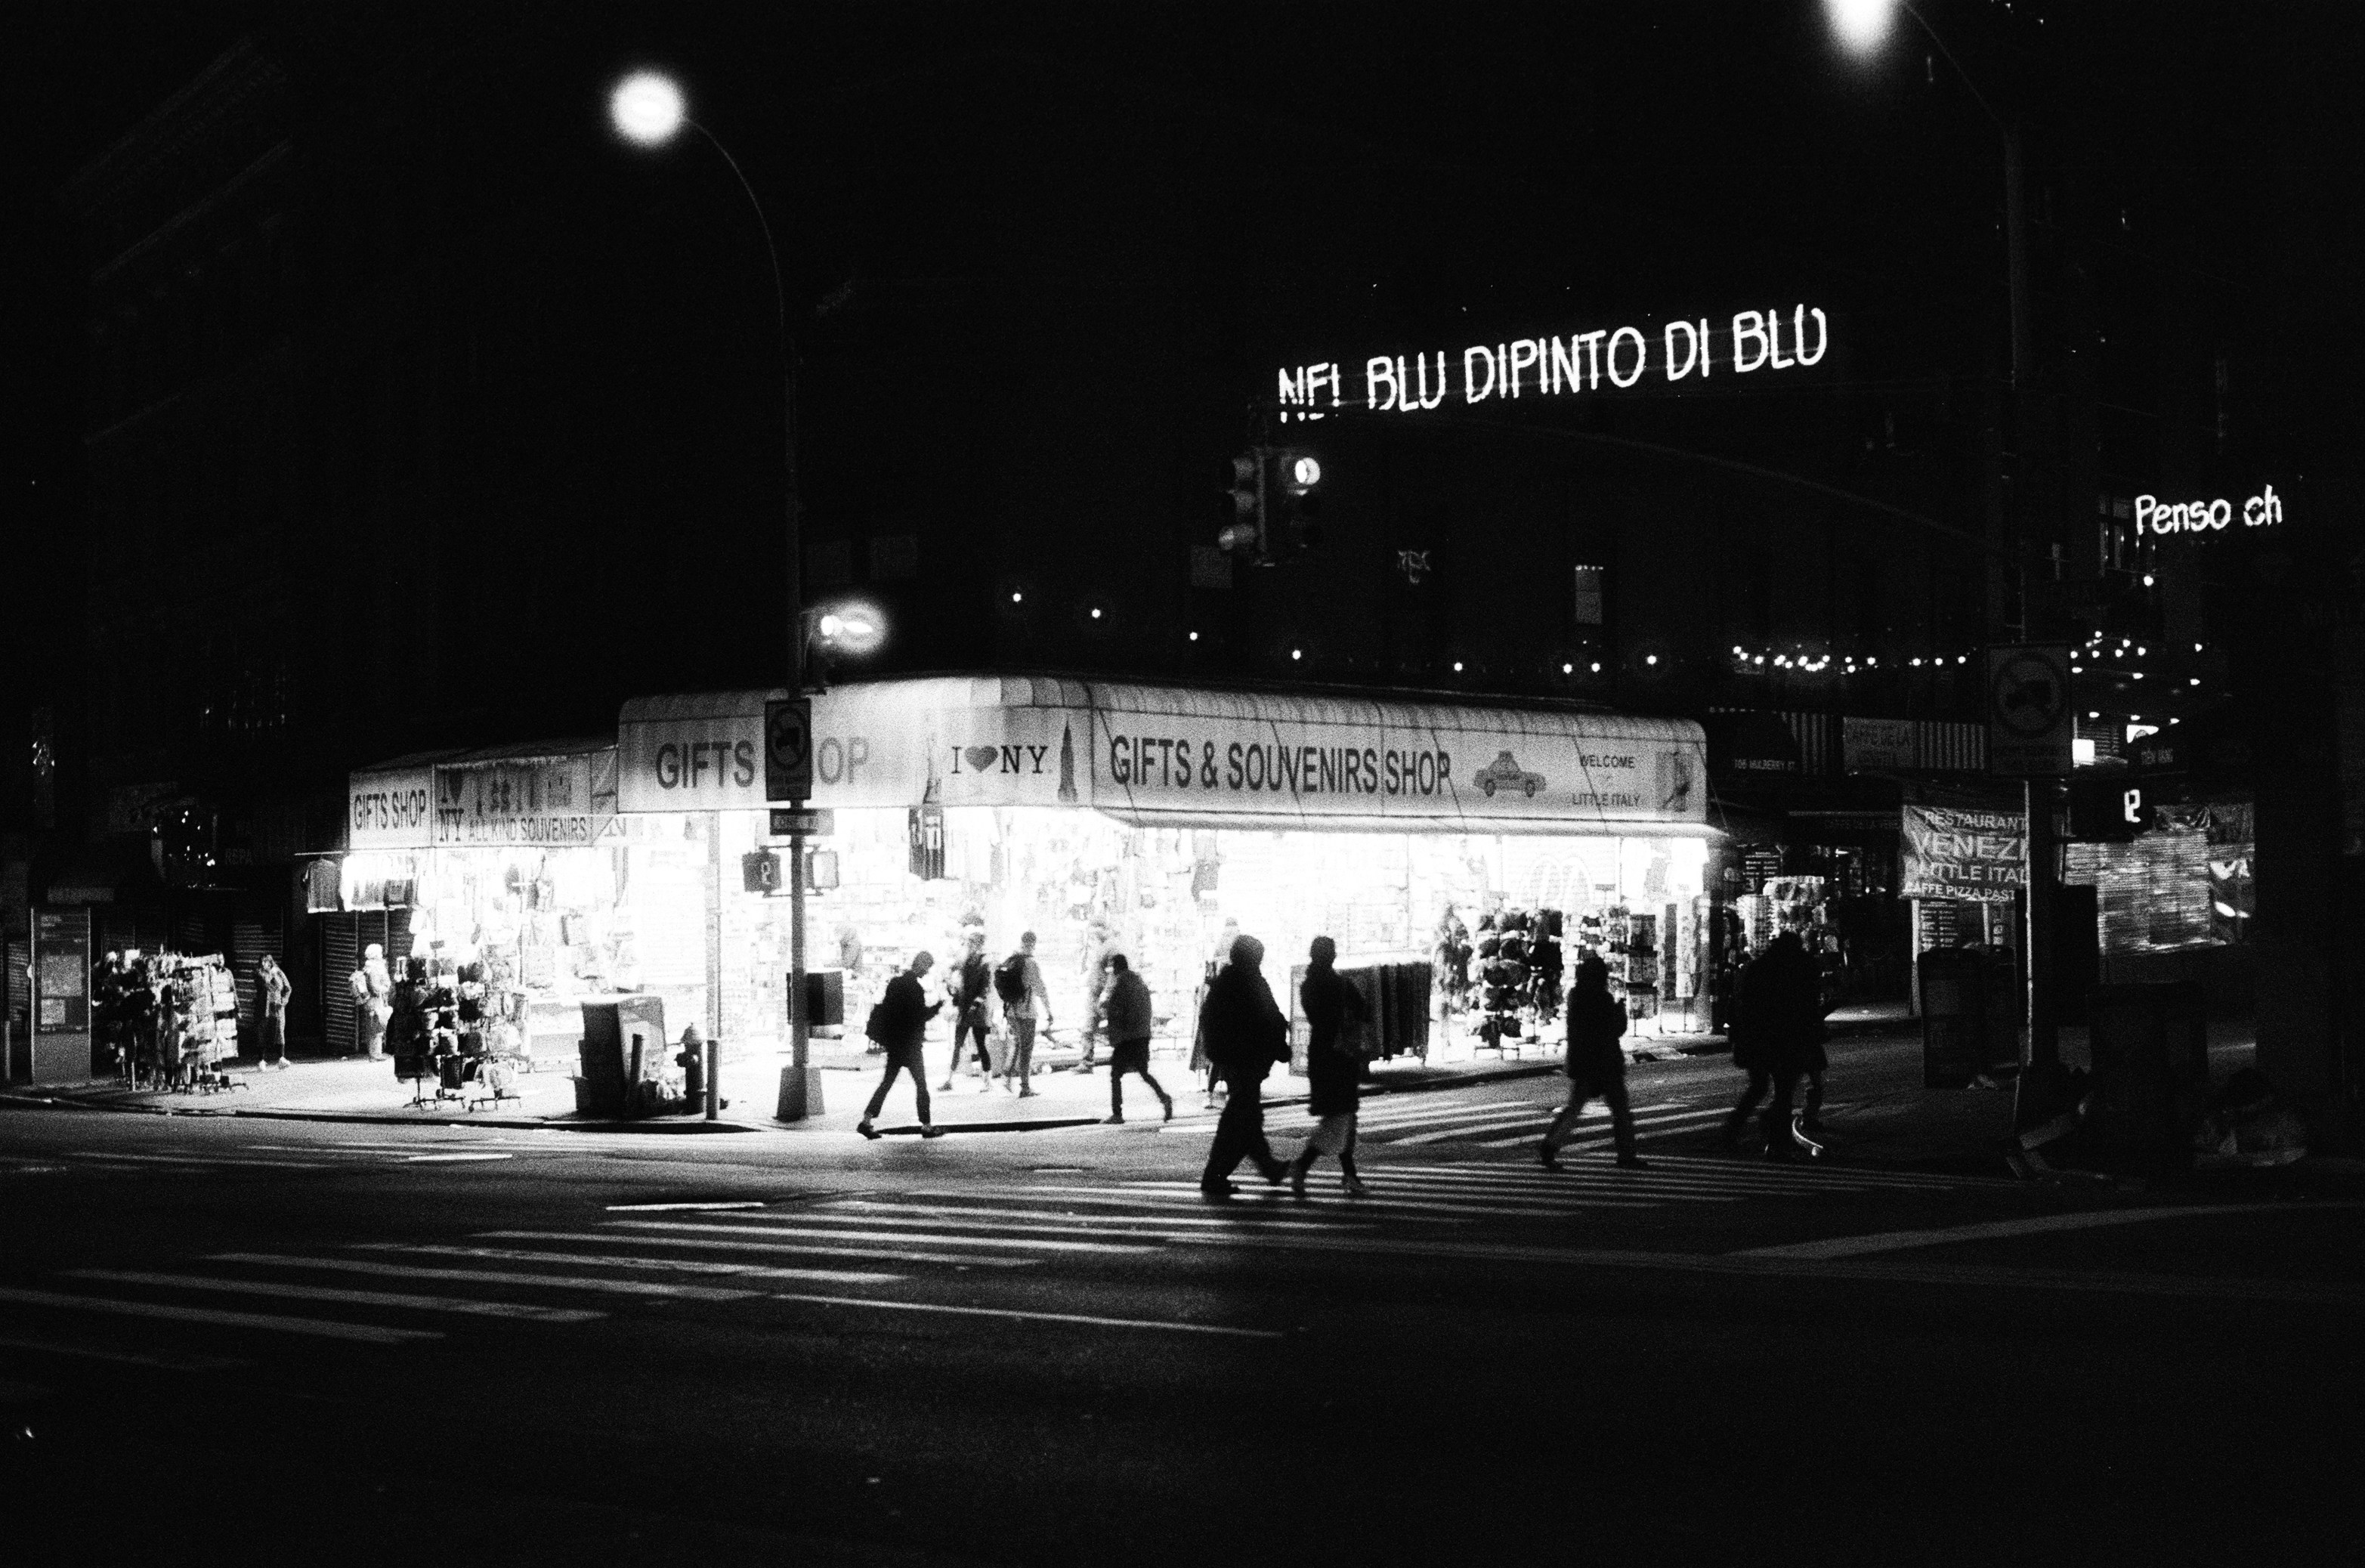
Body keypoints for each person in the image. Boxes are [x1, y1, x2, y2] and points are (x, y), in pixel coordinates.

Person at [1196, 934, 1291, 1199]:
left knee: (1246, 1117)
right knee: (1242, 1118)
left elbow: (1212, 1020)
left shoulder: (1225, 984)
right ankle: (1215, 1175)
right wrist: (1280, 1048)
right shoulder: (1250, 982)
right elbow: (1270, 1018)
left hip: (1233, 1059)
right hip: (1247, 1060)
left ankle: (1265, 1168)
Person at [1720, 930, 1822, 1160]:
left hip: (1757, 1039)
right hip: (1784, 1040)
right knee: (1782, 1093)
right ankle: (1775, 1143)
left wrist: (1738, 1035)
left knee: (1759, 1087)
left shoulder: (1755, 969)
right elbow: (1805, 1007)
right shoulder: (1795, 971)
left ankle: (1733, 1132)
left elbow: (1738, 1006)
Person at [1538, 954, 1643, 1170]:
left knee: (1575, 1107)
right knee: (1620, 1109)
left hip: (1583, 1061)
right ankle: (1627, 1154)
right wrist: (1620, 1010)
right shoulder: (1603, 999)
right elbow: (1614, 1029)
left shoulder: (1576, 996)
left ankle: (1551, 1144)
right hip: (1605, 1062)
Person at [1286, 936, 1370, 1197]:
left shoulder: (1308, 985)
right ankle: (1304, 1165)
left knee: (1339, 1116)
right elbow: (1363, 1011)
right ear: (1332, 956)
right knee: (1342, 1117)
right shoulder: (1341, 985)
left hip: (1320, 1054)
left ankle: (1349, 1174)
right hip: (1341, 1056)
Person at [858, 951, 946, 1139]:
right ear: (922, 966)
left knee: (886, 1083)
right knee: (921, 1085)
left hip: (895, 1043)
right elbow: (919, 1016)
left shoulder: (895, 983)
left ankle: (866, 1121)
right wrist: (938, 1007)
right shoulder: (915, 988)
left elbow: (889, 1009)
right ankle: (927, 1126)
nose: (927, 972)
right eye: (927, 968)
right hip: (911, 1045)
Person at [1100, 953, 1173, 1124]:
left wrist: (1111, 1026)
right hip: (1142, 1035)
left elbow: (1116, 1010)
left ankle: (1117, 1113)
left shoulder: (1121, 984)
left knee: (1116, 1074)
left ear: (1117, 967)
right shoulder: (1139, 982)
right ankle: (1164, 1098)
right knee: (1143, 1072)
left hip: (1128, 1037)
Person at [994, 931, 1053, 1097]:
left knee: (1018, 1044)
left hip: (1012, 1011)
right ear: (1033, 943)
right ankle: (1025, 1087)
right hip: (1027, 1013)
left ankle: (1006, 1078)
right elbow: (1041, 989)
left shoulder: (1013, 960)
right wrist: (1049, 1011)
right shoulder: (1031, 963)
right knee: (1026, 1049)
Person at [941, 933, 995, 1092]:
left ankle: (988, 1082)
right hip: (966, 1011)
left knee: (980, 1046)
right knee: (958, 1045)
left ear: (979, 944)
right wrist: (953, 990)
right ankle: (949, 1080)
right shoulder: (966, 962)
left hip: (977, 1012)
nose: (969, 945)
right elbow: (960, 981)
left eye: (972, 943)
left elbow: (986, 988)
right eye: (968, 943)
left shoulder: (985, 963)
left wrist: (974, 1005)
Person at [255, 952, 293, 1070]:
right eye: (261, 962)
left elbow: (288, 988)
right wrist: (271, 974)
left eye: (265, 962)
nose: (263, 964)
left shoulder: (278, 972)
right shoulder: (258, 973)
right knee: (263, 1032)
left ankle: (281, 1058)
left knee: (280, 1031)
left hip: (277, 1007)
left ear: (270, 962)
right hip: (263, 1007)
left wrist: (284, 1001)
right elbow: (265, 984)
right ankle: (261, 1060)